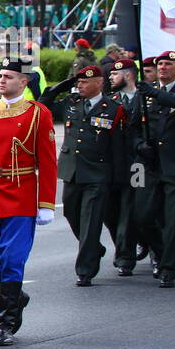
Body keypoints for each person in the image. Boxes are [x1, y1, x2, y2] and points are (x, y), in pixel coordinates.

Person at [0, 57, 58, 345]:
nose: (2, 81)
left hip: (20, 194)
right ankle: (16, 296)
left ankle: (5, 323)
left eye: (9, 77)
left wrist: (46, 203)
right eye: (0, 76)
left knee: (12, 260)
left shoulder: (38, 114)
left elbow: (47, 162)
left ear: (24, 81)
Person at [41, 63, 124, 286]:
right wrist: (62, 86)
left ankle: (85, 269)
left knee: (91, 222)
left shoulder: (113, 108)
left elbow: (117, 146)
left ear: (99, 83)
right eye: (79, 82)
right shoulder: (72, 103)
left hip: (98, 173)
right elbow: (42, 106)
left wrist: (117, 178)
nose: (81, 85)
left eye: (85, 81)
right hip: (72, 171)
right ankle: (94, 249)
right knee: (71, 214)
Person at [136, 50, 175, 287]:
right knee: (144, 216)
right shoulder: (145, 95)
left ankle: (168, 267)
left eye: (169, 64)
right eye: (160, 64)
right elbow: (133, 127)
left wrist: (156, 93)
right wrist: (139, 145)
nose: (163, 68)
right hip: (151, 165)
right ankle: (160, 252)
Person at [105, 57, 142, 276]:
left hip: (138, 165)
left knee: (131, 209)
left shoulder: (145, 98)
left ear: (128, 75)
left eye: (115, 74)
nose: (111, 77)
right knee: (110, 212)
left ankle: (125, 257)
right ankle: (126, 246)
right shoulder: (110, 100)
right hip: (113, 164)